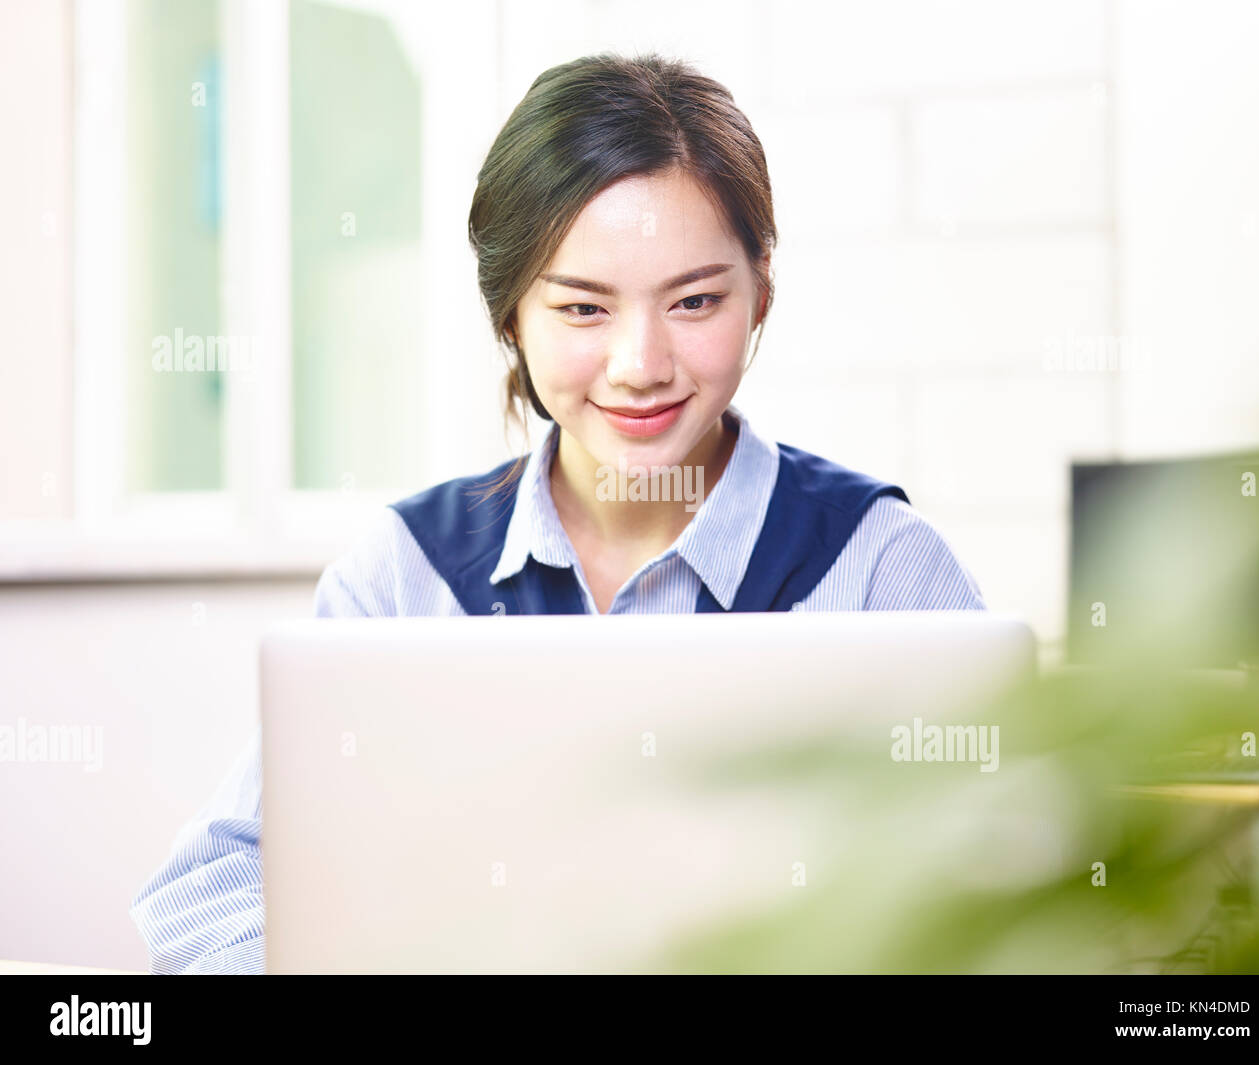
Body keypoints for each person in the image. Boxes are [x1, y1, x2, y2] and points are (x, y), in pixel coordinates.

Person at [129, 51, 985, 974]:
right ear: (511, 317)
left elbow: (1013, 888)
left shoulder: (880, 568)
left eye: (695, 300)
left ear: (761, 290)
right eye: (583, 309)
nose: (640, 363)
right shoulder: (407, 576)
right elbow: (207, 894)